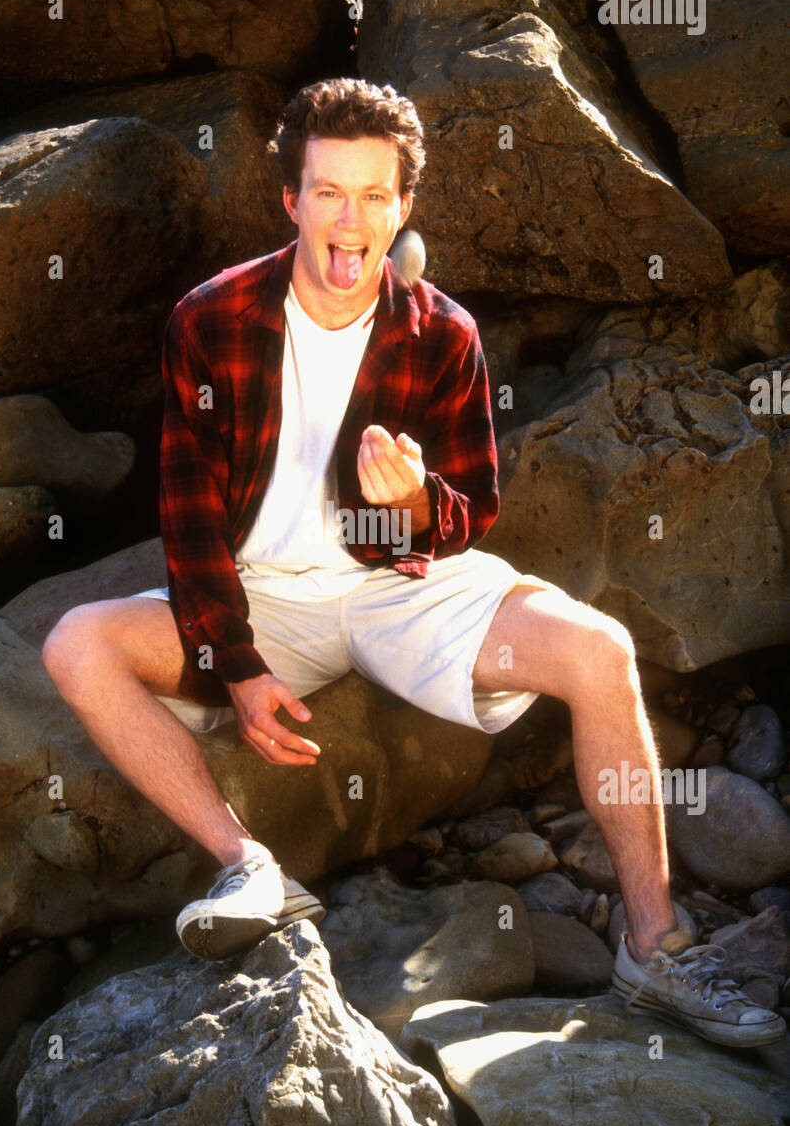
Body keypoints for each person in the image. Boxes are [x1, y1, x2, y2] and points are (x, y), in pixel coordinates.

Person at [42, 77, 785, 1051]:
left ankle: (654, 949)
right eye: (329, 192)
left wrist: (414, 504)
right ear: (290, 201)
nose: (351, 221)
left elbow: (469, 513)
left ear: (405, 205)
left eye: (375, 196)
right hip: (262, 598)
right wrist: (238, 665)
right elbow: (187, 516)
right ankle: (248, 863)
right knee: (75, 643)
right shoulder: (210, 320)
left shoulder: (443, 336)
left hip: (402, 588)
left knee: (599, 647)